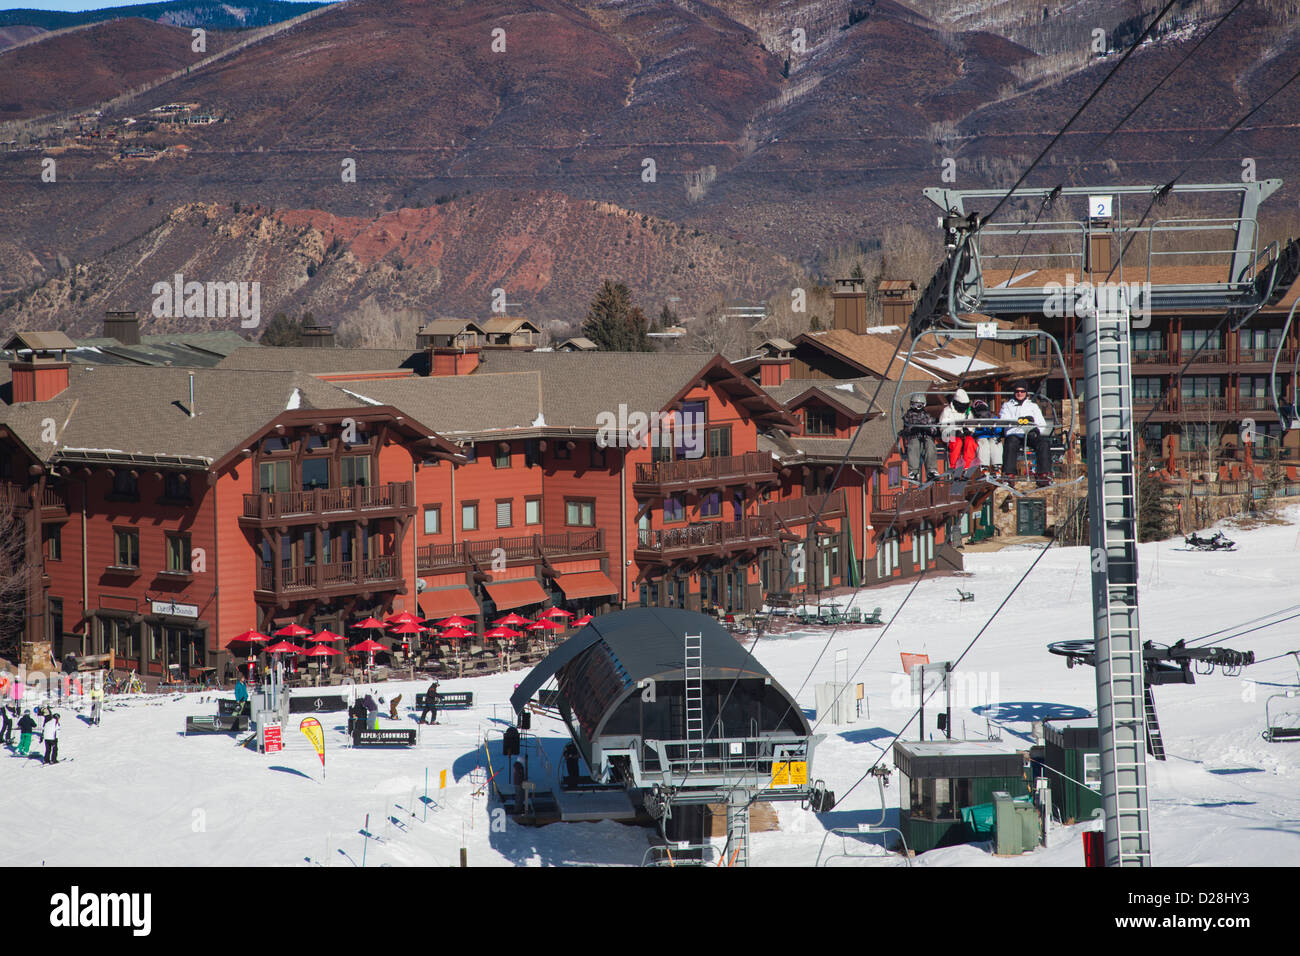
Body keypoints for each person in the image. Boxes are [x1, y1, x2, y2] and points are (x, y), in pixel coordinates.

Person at [999, 381, 1051, 484]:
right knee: (1010, 443)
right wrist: (1018, 422)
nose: (1019, 393)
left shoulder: (1032, 406)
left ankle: (1043, 474)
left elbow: (1042, 423)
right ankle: (1009, 475)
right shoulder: (1007, 406)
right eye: (1017, 391)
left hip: (1030, 434)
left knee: (1043, 443)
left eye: (1022, 391)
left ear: (1026, 393)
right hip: (1015, 434)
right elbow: (1003, 421)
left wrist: (1035, 430)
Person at [939, 388, 978, 478]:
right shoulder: (947, 411)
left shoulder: (968, 412)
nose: (964, 408)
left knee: (970, 442)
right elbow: (943, 427)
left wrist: (969, 430)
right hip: (950, 434)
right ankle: (955, 466)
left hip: (964, 434)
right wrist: (954, 432)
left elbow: (972, 425)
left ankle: (966, 467)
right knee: (957, 442)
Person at [899, 396, 939, 483]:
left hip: (926, 437)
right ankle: (914, 472)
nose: (916, 408)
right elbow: (906, 428)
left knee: (930, 445)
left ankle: (931, 470)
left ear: (923, 405)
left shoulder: (927, 416)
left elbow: (934, 428)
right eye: (914, 405)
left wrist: (928, 429)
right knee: (914, 445)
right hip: (914, 437)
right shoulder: (908, 416)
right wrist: (912, 429)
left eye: (919, 405)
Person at [970, 399, 1003, 476]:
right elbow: (971, 430)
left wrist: (995, 429)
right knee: (983, 443)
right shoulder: (973, 418)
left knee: (995, 443)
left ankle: (996, 466)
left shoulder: (992, 416)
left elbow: (999, 428)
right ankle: (985, 466)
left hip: (992, 435)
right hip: (982, 436)